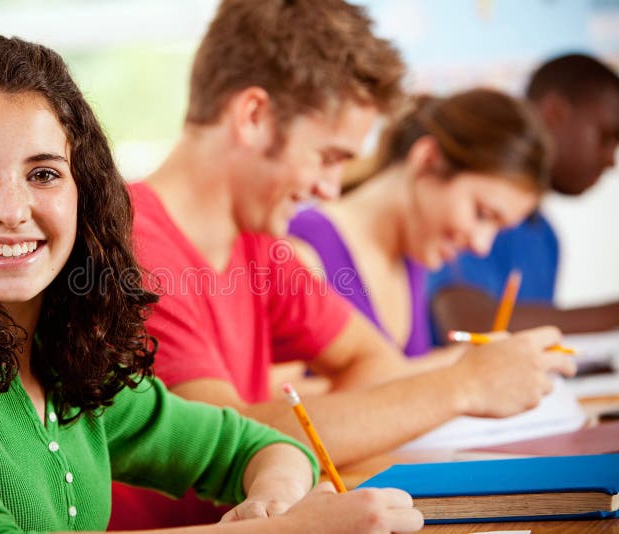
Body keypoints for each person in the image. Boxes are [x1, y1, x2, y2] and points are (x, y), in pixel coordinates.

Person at [0, 35, 425, 534]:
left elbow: (264, 446)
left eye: (44, 173)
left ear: (83, 194)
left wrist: (273, 499)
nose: (10, 208)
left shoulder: (70, 369)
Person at [115, 0, 575, 529]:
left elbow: (373, 361)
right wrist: (462, 386)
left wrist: (305, 423)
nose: (330, 189)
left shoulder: (258, 244)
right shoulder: (135, 252)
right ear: (254, 116)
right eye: (329, 156)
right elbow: (233, 442)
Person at [288, 88, 550, 357]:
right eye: (482, 214)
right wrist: (462, 374)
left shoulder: (413, 255)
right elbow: (279, 394)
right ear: (428, 159)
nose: (482, 245)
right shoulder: (298, 247)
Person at [429, 54, 619, 338]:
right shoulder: (465, 216)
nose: (610, 160)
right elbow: (467, 325)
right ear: (555, 113)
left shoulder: (545, 238)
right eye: (605, 137)